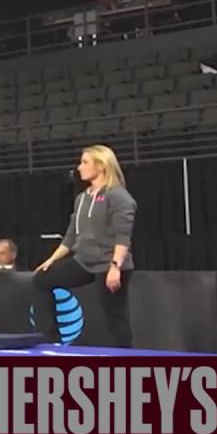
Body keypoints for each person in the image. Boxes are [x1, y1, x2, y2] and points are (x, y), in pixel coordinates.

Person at [33, 145, 136, 347]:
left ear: (101, 166)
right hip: (84, 261)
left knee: (115, 318)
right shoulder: (82, 198)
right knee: (42, 280)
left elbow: (123, 235)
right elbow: (71, 235)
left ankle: (125, 359)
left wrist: (115, 266)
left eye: (85, 162)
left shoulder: (118, 196)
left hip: (109, 263)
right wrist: (51, 260)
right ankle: (50, 339)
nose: (80, 167)